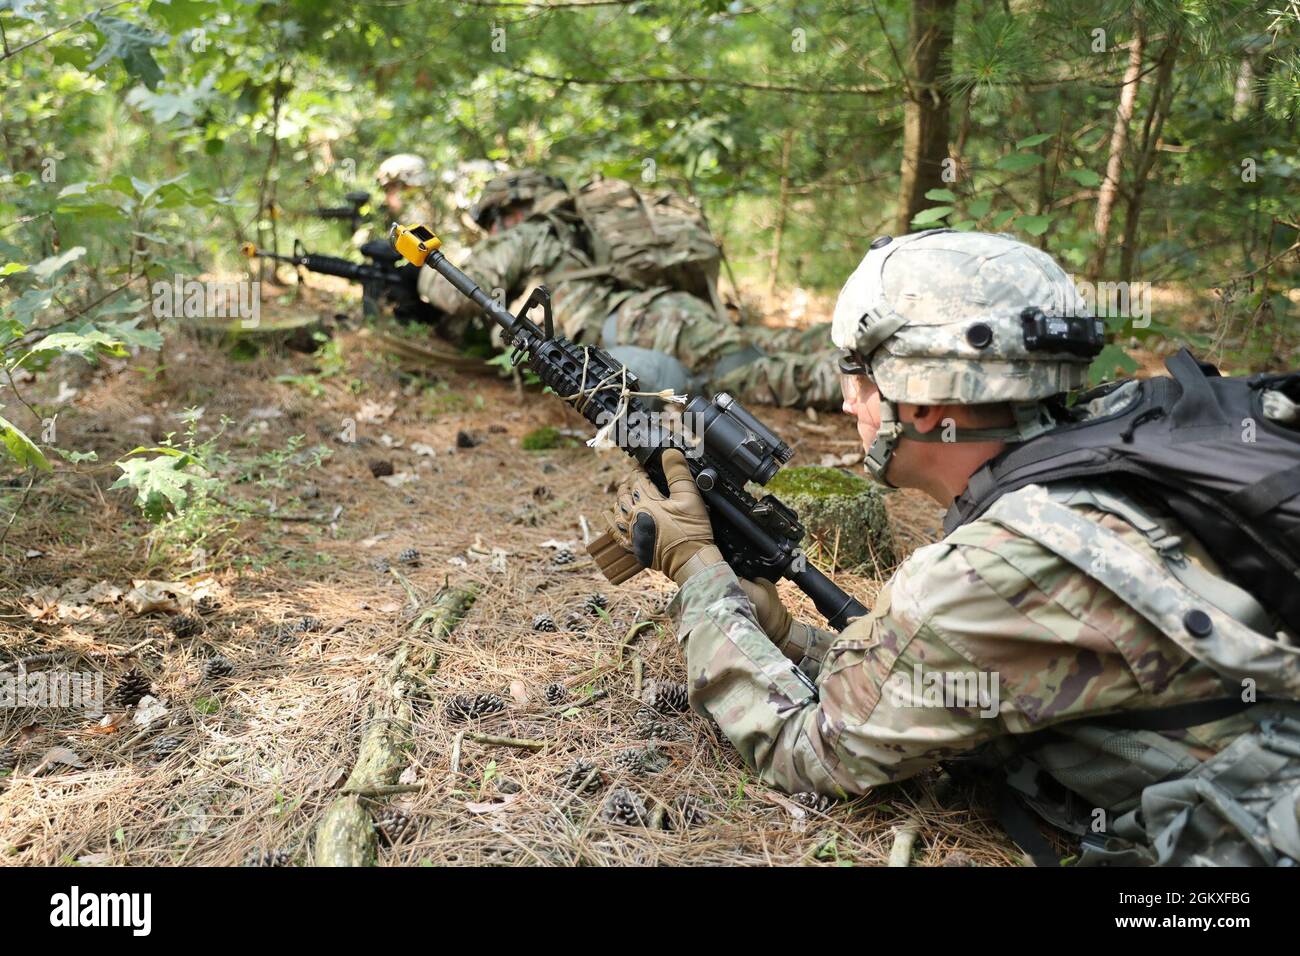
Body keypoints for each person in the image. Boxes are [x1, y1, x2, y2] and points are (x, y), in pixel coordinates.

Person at [596, 228, 1300, 866]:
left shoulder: (996, 567)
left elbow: (810, 750)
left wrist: (699, 574)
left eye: (858, 373)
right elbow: (961, 674)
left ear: (925, 404)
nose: (847, 401)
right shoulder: (1113, 444)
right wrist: (784, 636)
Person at [416, 168, 843, 410]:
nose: (492, 232)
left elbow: (452, 292)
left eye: (493, 221)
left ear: (511, 210)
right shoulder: (575, 229)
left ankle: (864, 381)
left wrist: (417, 273)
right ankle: (851, 338)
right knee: (761, 344)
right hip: (661, 313)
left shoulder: (527, 234)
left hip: (639, 326)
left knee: (754, 375)